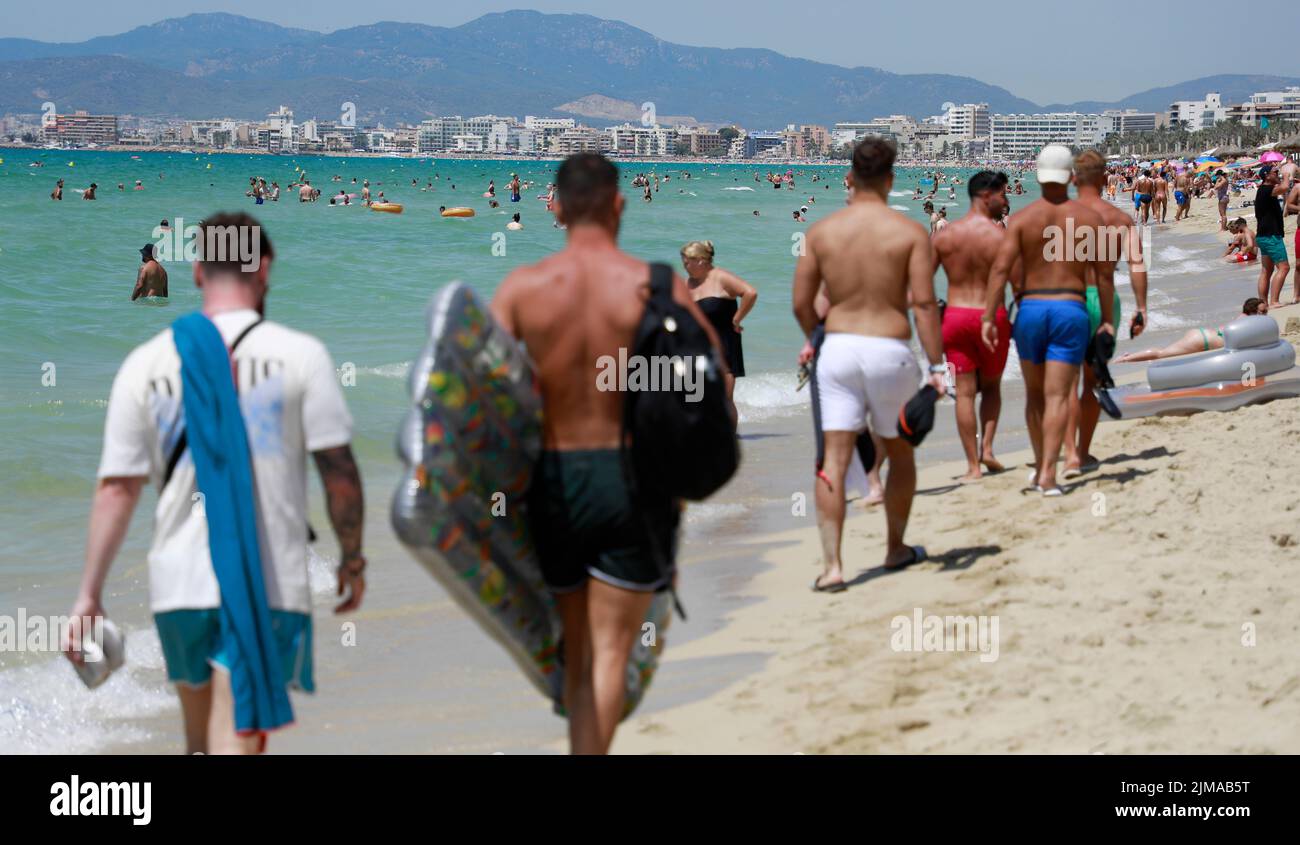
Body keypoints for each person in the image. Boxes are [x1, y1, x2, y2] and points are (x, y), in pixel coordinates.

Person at [63, 212, 366, 754]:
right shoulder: (301, 356)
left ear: (200, 271)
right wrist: (352, 559)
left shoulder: (145, 362)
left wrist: (89, 593)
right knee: (239, 738)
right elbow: (339, 472)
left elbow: (117, 489)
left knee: (199, 741)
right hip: (263, 575)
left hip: (177, 583)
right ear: (265, 270)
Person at [490, 154, 724, 755]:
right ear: (620, 205)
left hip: (552, 482)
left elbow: (483, 397)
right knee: (614, 652)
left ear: (557, 208)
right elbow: (710, 380)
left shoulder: (522, 289)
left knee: (576, 651)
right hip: (631, 481)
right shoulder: (658, 284)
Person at [792, 137, 945, 591]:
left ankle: (833, 567)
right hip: (890, 351)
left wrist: (814, 341)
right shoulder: (911, 233)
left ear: (851, 178)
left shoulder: (821, 233)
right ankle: (895, 547)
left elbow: (801, 303)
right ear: (891, 180)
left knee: (833, 461)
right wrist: (937, 366)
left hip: (837, 350)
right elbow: (923, 306)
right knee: (899, 452)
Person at [982, 145, 1108, 497]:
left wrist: (990, 316)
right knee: (1057, 397)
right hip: (1070, 309)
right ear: (1071, 176)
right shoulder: (1089, 220)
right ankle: (1049, 476)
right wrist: (1108, 320)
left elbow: (1001, 270)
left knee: (1035, 396)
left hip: (1031, 311)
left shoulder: (1021, 220)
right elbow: (1105, 277)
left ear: (1037, 176)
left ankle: (1040, 467)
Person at [1063, 150, 1146, 478]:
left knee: (1065, 383)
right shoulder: (1119, 218)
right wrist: (1141, 308)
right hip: (1104, 302)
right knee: (1092, 380)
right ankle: (1083, 453)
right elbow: (1137, 263)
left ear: (1073, 179)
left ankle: (1069, 455)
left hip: (1067, 301)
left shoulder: (1060, 216)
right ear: (1104, 178)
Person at [931, 170, 1013, 481]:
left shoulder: (945, 236)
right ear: (986, 196)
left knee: (964, 394)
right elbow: (1017, 282)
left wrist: (932, 318)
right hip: (993, 317)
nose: (1005, 201)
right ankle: (988, 449)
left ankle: (972, 467)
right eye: (1002, 195)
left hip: (955, 318)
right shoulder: (1002, 237)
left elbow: (920, 283)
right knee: (991, 388)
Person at [680, 240, 758, 405]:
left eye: (687, 262)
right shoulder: (687, 283)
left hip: (724, 347)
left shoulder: (721, 277)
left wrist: (737, 319)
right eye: (683, 262)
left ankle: (729, 432)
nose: (684, 266)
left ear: (701, 260)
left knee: (723, 401)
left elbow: (750, 293)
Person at [1115, 298, 1268, 362]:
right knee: (1161, 354)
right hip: (1202, 341)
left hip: (1202, 334)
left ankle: (1129, 357)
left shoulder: (1242, 317)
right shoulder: (1248, 322)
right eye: (1262, 312)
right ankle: (1126, 359)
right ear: (1253, 311)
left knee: (1163, 351)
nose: (1265, 315)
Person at [1254, 166, 1291, 305]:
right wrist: (1287, 177)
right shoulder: (1267, 189)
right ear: (1267, 176)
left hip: (1263, 236)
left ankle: (1263, 302)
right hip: (1271, 236)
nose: (1278, 174)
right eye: (1275, 173)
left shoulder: (1264, 190)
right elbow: (1285, 188)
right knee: (1284, 267)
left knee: (1266, 270)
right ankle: (1274, 301)